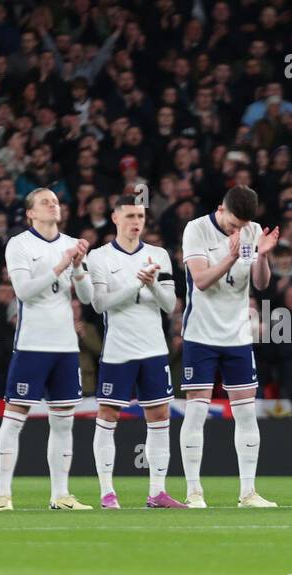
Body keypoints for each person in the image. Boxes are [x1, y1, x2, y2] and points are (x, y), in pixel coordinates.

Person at [178, 185, 280, 508]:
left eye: (243, 226)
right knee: (195, 413)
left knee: (247, 413)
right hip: (200, 335)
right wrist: (232, 254)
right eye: (234, 225)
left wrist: (262, 254)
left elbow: (261, 284)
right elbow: (202, 281)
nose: (239, 231)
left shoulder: (250, 231)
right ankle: (194, 492)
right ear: (220, 209)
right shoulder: (195, 230)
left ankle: (248, 492)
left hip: (237, 336)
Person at [0, 188, 94, 510]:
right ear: (31, 213)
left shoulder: (72, 244)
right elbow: (23, 291)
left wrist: (77, 266)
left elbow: (89, 298)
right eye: (45, 202)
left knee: (63, 421)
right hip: (32, 345)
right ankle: (3, 495)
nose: (53, 205)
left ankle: (60, 495)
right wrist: (61, 264)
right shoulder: (19, 244)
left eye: (56, 201)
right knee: (14, 418)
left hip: (64, 346)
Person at [87, 196, 182, 509]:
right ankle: (106, 493)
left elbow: (169, 305)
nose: (135, 221)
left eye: (140, 215)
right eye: (129, 215)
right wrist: (136, 284)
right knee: (108, 415)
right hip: (118, 349)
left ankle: (157, 492)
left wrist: (153, 285)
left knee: (159, 415)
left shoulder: (158, 255)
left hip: (153, 347)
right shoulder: (100, 257)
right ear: (115, 218)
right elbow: (98, 303)